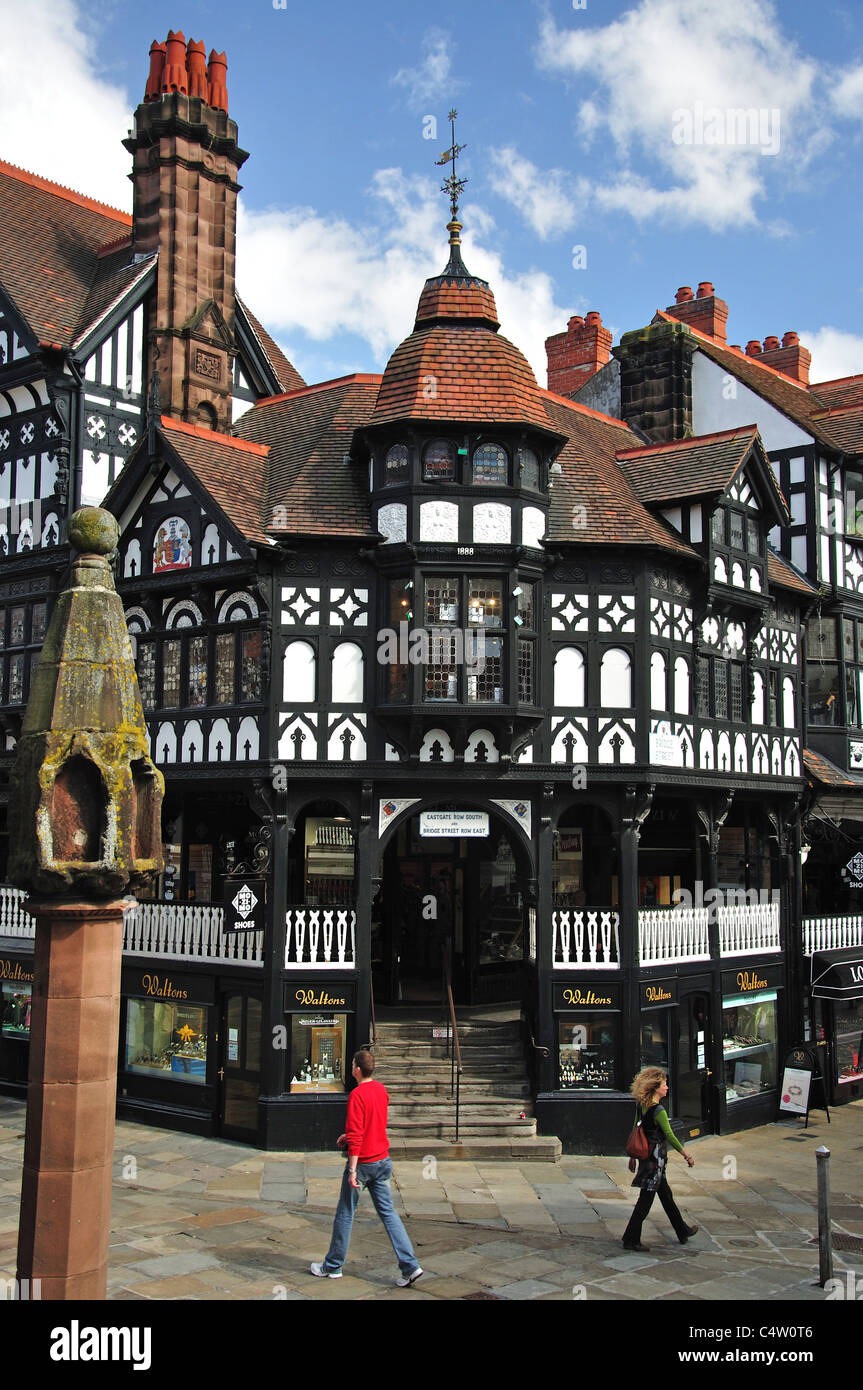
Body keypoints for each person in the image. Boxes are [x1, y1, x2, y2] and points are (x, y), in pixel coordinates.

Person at [310, 1049, 423, 1286]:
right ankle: (410, 1266)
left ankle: (333, 1266)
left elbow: (359, 1133)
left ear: (358, 1070)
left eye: (352, 1064)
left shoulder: (357, 1095)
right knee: (389, 1214)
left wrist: (352, 1169)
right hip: (383, 1160)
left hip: (363, 1163)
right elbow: (373, 1123)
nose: (351, 1068)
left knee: (345, 1212)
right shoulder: (381, 1090)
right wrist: (348, 1136)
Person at [622, 1066, 698, 1252]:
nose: (667, 1088)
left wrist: (632, 1157)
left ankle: (682, 1230)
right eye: (664, 1084)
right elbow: (670, 1136)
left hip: (647, 1159)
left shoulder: (641, 1105)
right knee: (645, 1201)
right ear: (656, 1087)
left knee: (666, 1196)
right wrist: (686, 1154)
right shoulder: (659, 1111)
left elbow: (635, 1128)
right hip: (655, 1162)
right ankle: (630, 1239)